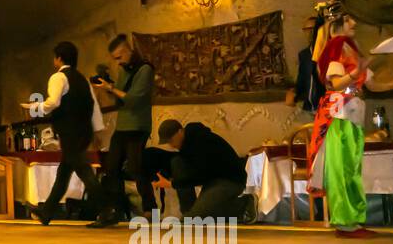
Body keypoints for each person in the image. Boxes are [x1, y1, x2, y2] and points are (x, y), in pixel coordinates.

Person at [307, 0, 375, 238]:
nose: (354, 23)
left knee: (351, 170)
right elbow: (336, 84)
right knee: (340, 170)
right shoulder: (335, 47)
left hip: (352, 115)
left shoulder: (349, 48)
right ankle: (345, 222)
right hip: (339, 115)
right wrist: (358, 71)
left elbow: (373, 84)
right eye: (348, 19)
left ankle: (354, 220)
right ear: (337, 22)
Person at [25, 41, 105, 226]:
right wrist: (97, 131)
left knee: (84, 171)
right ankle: (47, 211)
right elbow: (93, 107)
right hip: (84, 131)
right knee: (64, 172)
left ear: (59, 58)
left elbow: (53, 102)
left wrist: (35, 107)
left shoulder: (58, 77)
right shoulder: (82, 79)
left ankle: (108, 208)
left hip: (70, 131)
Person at [97, 33, 155, 223]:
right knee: (111, 167)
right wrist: (108, 86)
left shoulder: (145, 69)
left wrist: (112, 89)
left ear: (128, 51)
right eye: (115, 59)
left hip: (138, 126)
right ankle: (117, 209)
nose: (118, 62)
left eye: (119, 57)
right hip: (122, 126)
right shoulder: (124, 70)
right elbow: (119, 99)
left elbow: (133, 99)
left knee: (136, 168)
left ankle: (150, 209)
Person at [155, 119, 253, 219]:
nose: (171, 145)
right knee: (177, 162)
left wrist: (172, 184)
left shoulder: (201, 140)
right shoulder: (185, 147)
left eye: (171, 140)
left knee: (199, 217)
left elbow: (201, 175)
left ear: (180, 132)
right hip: (212, 181)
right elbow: (190, 173)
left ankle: (245, 204)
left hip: (230, 180)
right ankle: (189, 212)